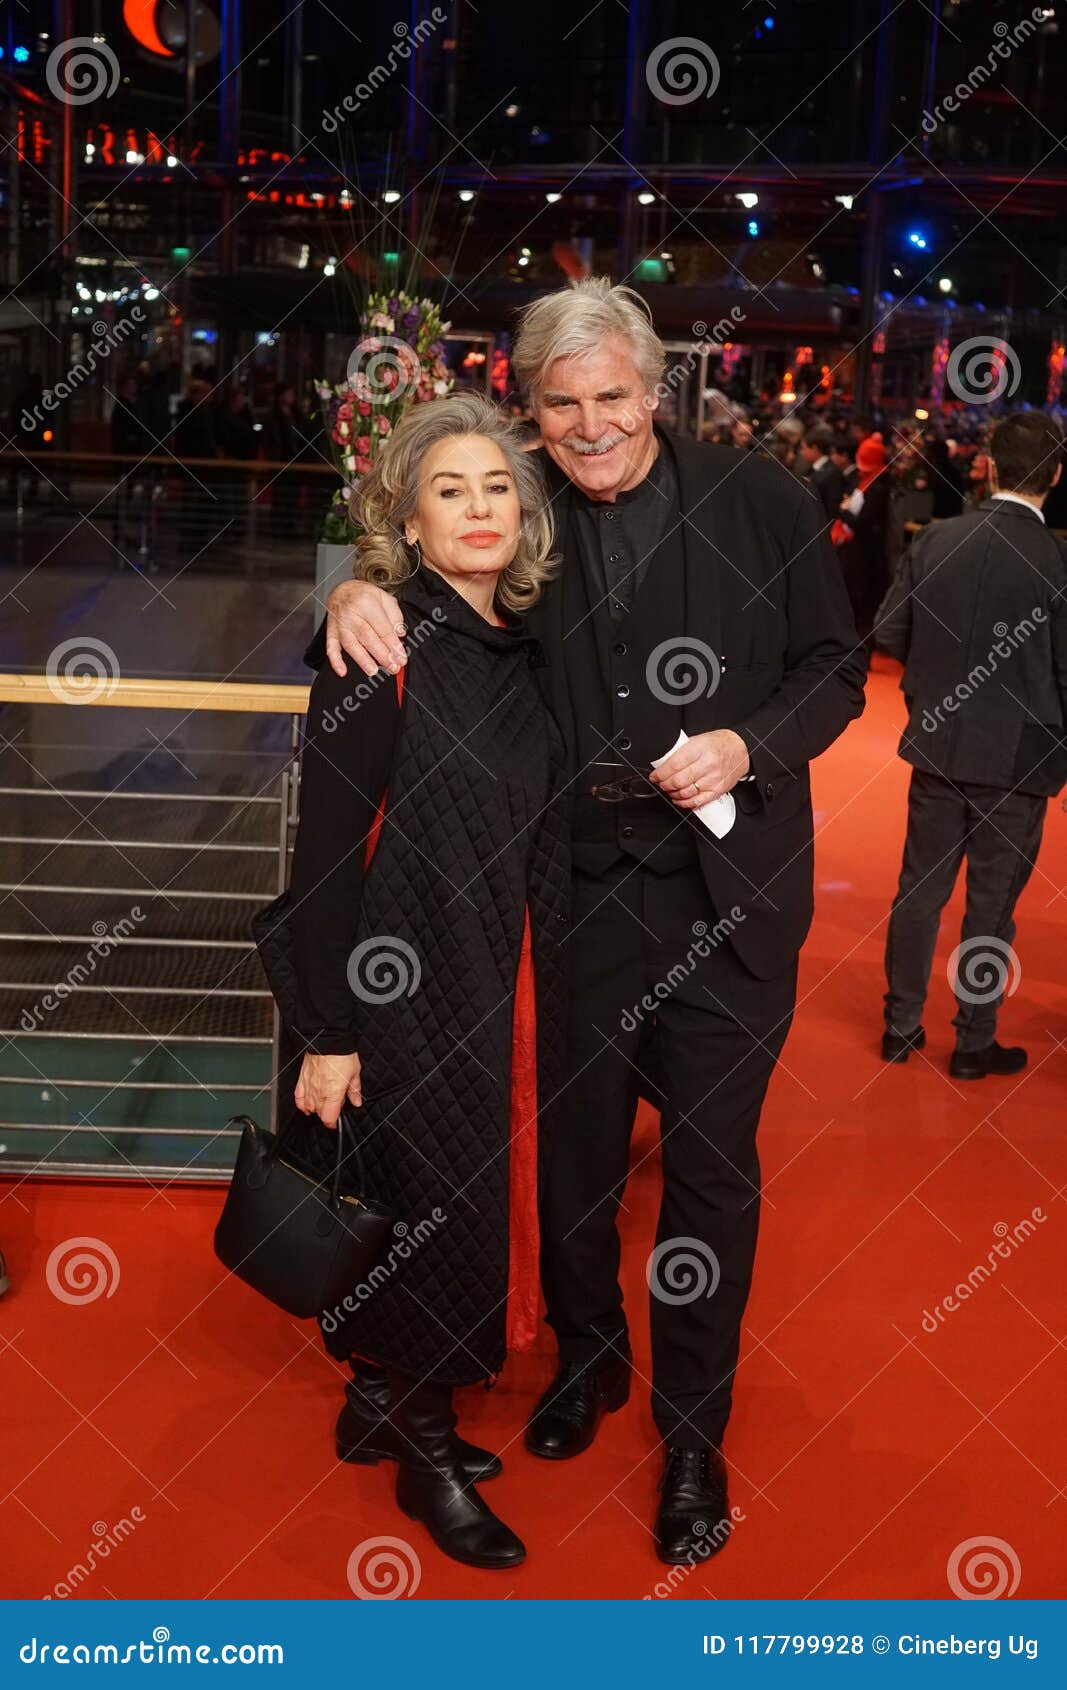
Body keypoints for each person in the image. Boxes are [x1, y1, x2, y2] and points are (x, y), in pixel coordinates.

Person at [321, 278, 866, 1565]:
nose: (589, 426)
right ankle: (586, 1357)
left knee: (711, 1175)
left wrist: (748, 742)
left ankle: (691, 1431)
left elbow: (834, 666)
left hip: (724, 900)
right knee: (568, 1167)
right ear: (532, 409)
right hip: (564, 903)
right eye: (560, 406)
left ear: (656, 388)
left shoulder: (759, 496)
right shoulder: (524, 507)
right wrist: (350, 593)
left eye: (611, 397)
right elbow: (420, 557)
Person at [271, 392, 569, 1571]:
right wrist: (328, 1030)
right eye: (449, 490)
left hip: (497, 979)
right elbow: (325, 857)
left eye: (496, 487)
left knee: (442, 1197)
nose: (479, 507)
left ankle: (373, 1399)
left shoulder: (525, 647)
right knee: (434, 1209)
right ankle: (426, 1446)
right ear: (406, 516)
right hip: (396, 991)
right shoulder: (375, 642)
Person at [875, 411, 1067, 1077]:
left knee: (917, 894)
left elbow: (889, 635)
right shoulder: (1056, 561)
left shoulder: (935, 540)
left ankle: (899, 1027)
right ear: (1056, 475)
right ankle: (971, 1041)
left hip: (938, 745)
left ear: (987, 464)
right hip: (1019, 762)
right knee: (991, 912)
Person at [831, 431, 890, 642]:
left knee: (863, 604)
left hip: (867, 555)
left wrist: (843, 511)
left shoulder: (878, 487)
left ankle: (862, 648)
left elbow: (863, 522)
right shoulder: (863, 480)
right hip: (854, 551)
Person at [799, 423, 845, 527]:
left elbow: (832, 508)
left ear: (815, 448)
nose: (802, 452)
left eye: (804, 448)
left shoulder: (831, 472)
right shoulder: (813, 468)